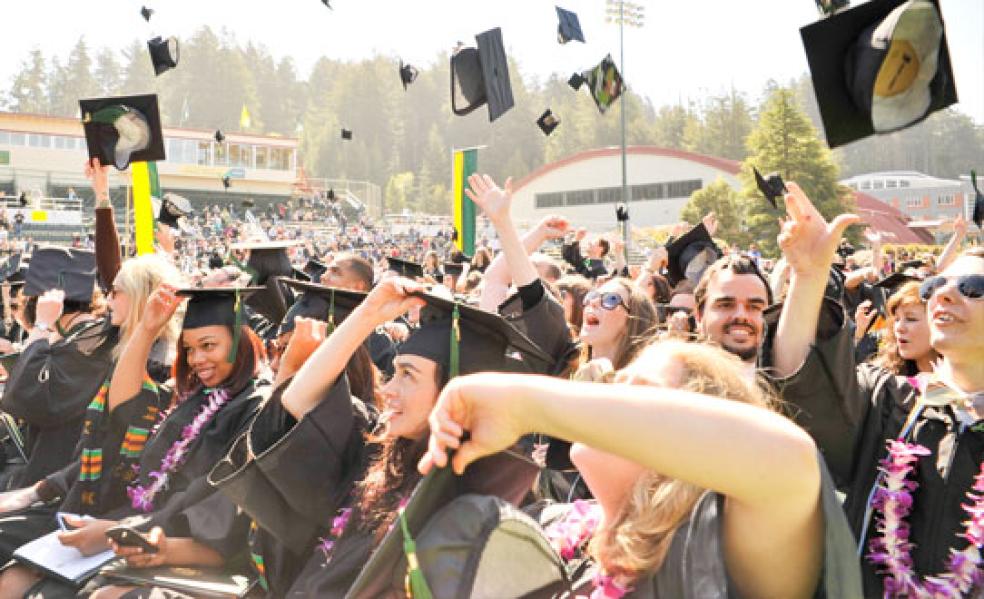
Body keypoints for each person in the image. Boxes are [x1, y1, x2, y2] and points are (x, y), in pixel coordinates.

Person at [420, 338, 861, 597]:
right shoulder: (555, 533)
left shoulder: (716, 540)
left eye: (639, 394)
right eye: (615, 388)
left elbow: (788, 461)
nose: (607, 402)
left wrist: (528, 403)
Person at [211, 271, 561, 597]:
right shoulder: (378, 455)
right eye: (392, 372)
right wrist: (368, 315)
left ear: (457, 390)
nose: (388, 389)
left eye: (407, 375)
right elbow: (297, 401)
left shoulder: (484, 496)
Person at [767, 180, 984, 595]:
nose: (944, 297)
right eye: (934, 287)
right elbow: (802, 386)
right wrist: (808, 277)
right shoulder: (891, 403)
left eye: (971, 289)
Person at [15, 287, 270, 598]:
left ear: (240, 344)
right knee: (15, 576)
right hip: (136, 525)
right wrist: (147, 328)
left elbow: (218, 517)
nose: (197, 358)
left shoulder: (255, 407)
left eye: (209, 345)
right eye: (189, 349)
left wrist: (117, 531)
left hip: (184, 542)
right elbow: (124, 410)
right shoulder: (197, 396)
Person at [869, 281, 938, 377]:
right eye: (897, 319)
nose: (899, 328)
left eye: (911, 319)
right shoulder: (882, 379)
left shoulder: (962, 380)